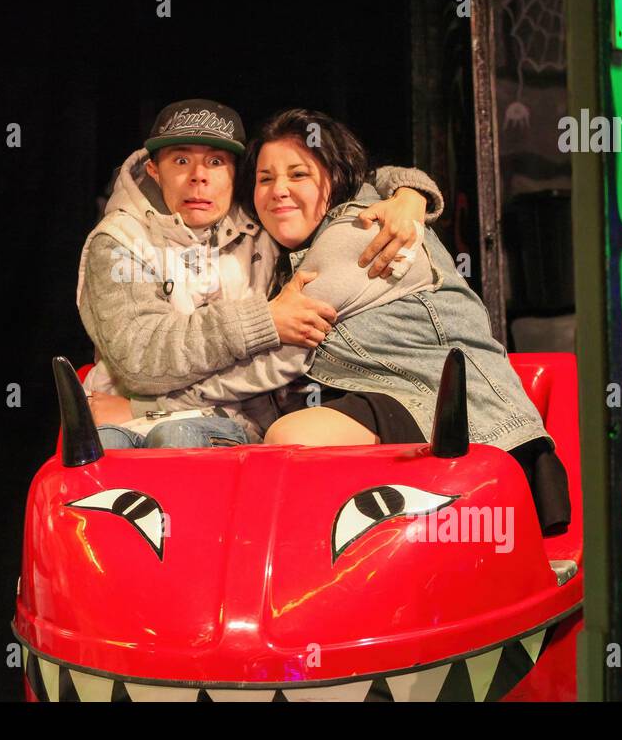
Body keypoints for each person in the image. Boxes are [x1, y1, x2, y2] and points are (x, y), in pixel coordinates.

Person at [143, 109, 570, 533]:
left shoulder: (358, 233)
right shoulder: (310, 244)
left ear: (336, 176)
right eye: (265, 179)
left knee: (290, 439)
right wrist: (409, 190)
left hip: (461, 418)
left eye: (299, 174)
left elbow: (275, 362)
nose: (279, 191)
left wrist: (146, 407)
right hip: (407, 399)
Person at [78, 98, 445, 449]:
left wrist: (410, 193)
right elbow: (142, 359)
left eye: (217, 162)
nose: (198, 177)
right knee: (107, 448)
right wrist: (262, 320)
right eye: (181, 160)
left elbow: (350, 176)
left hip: (233, 420)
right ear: (154, 171)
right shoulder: (119, 242)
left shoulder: (266, 221)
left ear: (236, 173)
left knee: (176, 441)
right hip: (120, 410)